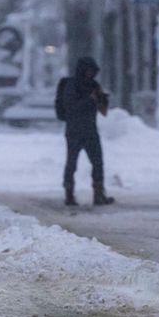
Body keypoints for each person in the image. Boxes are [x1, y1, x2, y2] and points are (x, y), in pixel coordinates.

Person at [55, 56, 114, 206]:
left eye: (93, 71)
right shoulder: (71, 85)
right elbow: (70, 107)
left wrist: (102, 99)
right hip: (74, 130)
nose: (90, 74)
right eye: (88, 70)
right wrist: (90, 99)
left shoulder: (94, 85)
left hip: (90, 130)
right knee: (72, 163)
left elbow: (103, 111)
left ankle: (99, 193)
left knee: (98, 162)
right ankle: (69, 194)